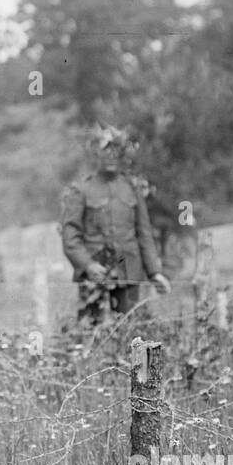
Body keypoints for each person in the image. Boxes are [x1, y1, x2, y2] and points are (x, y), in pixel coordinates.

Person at [59, 125, 171, 322]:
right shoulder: (80, 190)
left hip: (128, 272)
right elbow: (70, 238)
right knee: (88, 331)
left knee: (131, 330)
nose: (111, 156)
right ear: (95, 153)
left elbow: (144, 233)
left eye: (116, 150)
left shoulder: (132, 188)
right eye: (105, 150)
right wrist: (88, 265)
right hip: (94, 275)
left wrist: (155, 272)